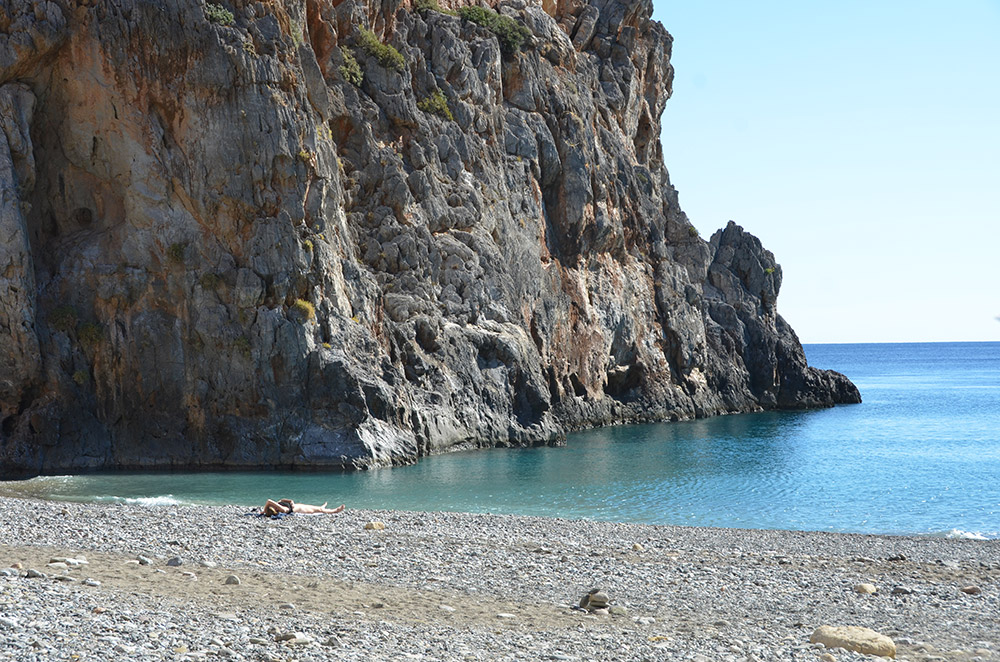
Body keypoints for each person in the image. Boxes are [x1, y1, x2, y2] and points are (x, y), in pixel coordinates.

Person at [262, 498, 345, 515]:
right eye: (276, 508)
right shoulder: (282, 510)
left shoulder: (278, 505)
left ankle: (322, 507)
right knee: (319, 510)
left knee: (317, 508)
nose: (276, 506)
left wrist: (264, 511)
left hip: (298, 505)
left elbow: (280, 500)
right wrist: (265, 510)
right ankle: (335, 510)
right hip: (300, 509)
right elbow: (269, 501)